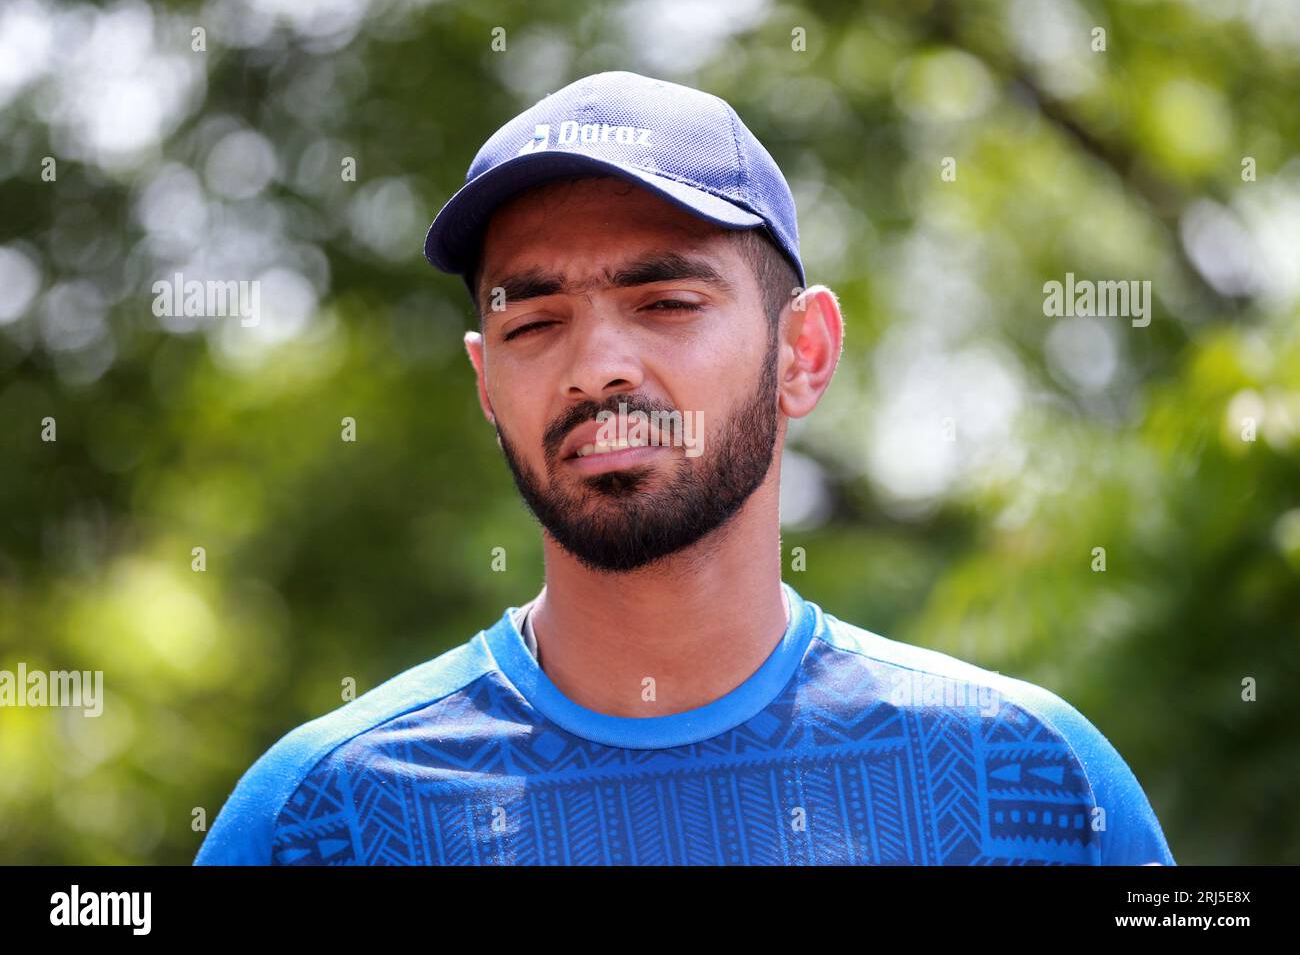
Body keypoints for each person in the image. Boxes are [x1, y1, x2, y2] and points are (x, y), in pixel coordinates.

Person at [194, 71, 1175, 866]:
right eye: (534, 321)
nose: (597, 366)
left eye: (665, 301)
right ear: (487, 382)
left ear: (804, 354)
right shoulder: (320, 818)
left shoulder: (1035, 788)